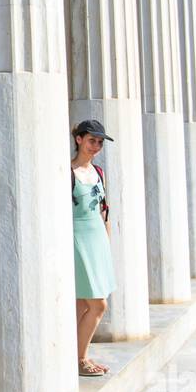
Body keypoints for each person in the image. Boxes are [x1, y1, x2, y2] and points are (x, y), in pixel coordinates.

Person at [71, 120, 117, 377]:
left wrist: (107, 245)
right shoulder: (68, 172)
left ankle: (73, 355)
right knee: (98, 306)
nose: (96, 146)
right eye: (92, 141)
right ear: (79, 139)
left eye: (100, 142)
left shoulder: (98, 172)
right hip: (77, 239)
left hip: (97, 239)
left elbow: (104, 212)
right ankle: (80, 359)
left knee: (81, 305)